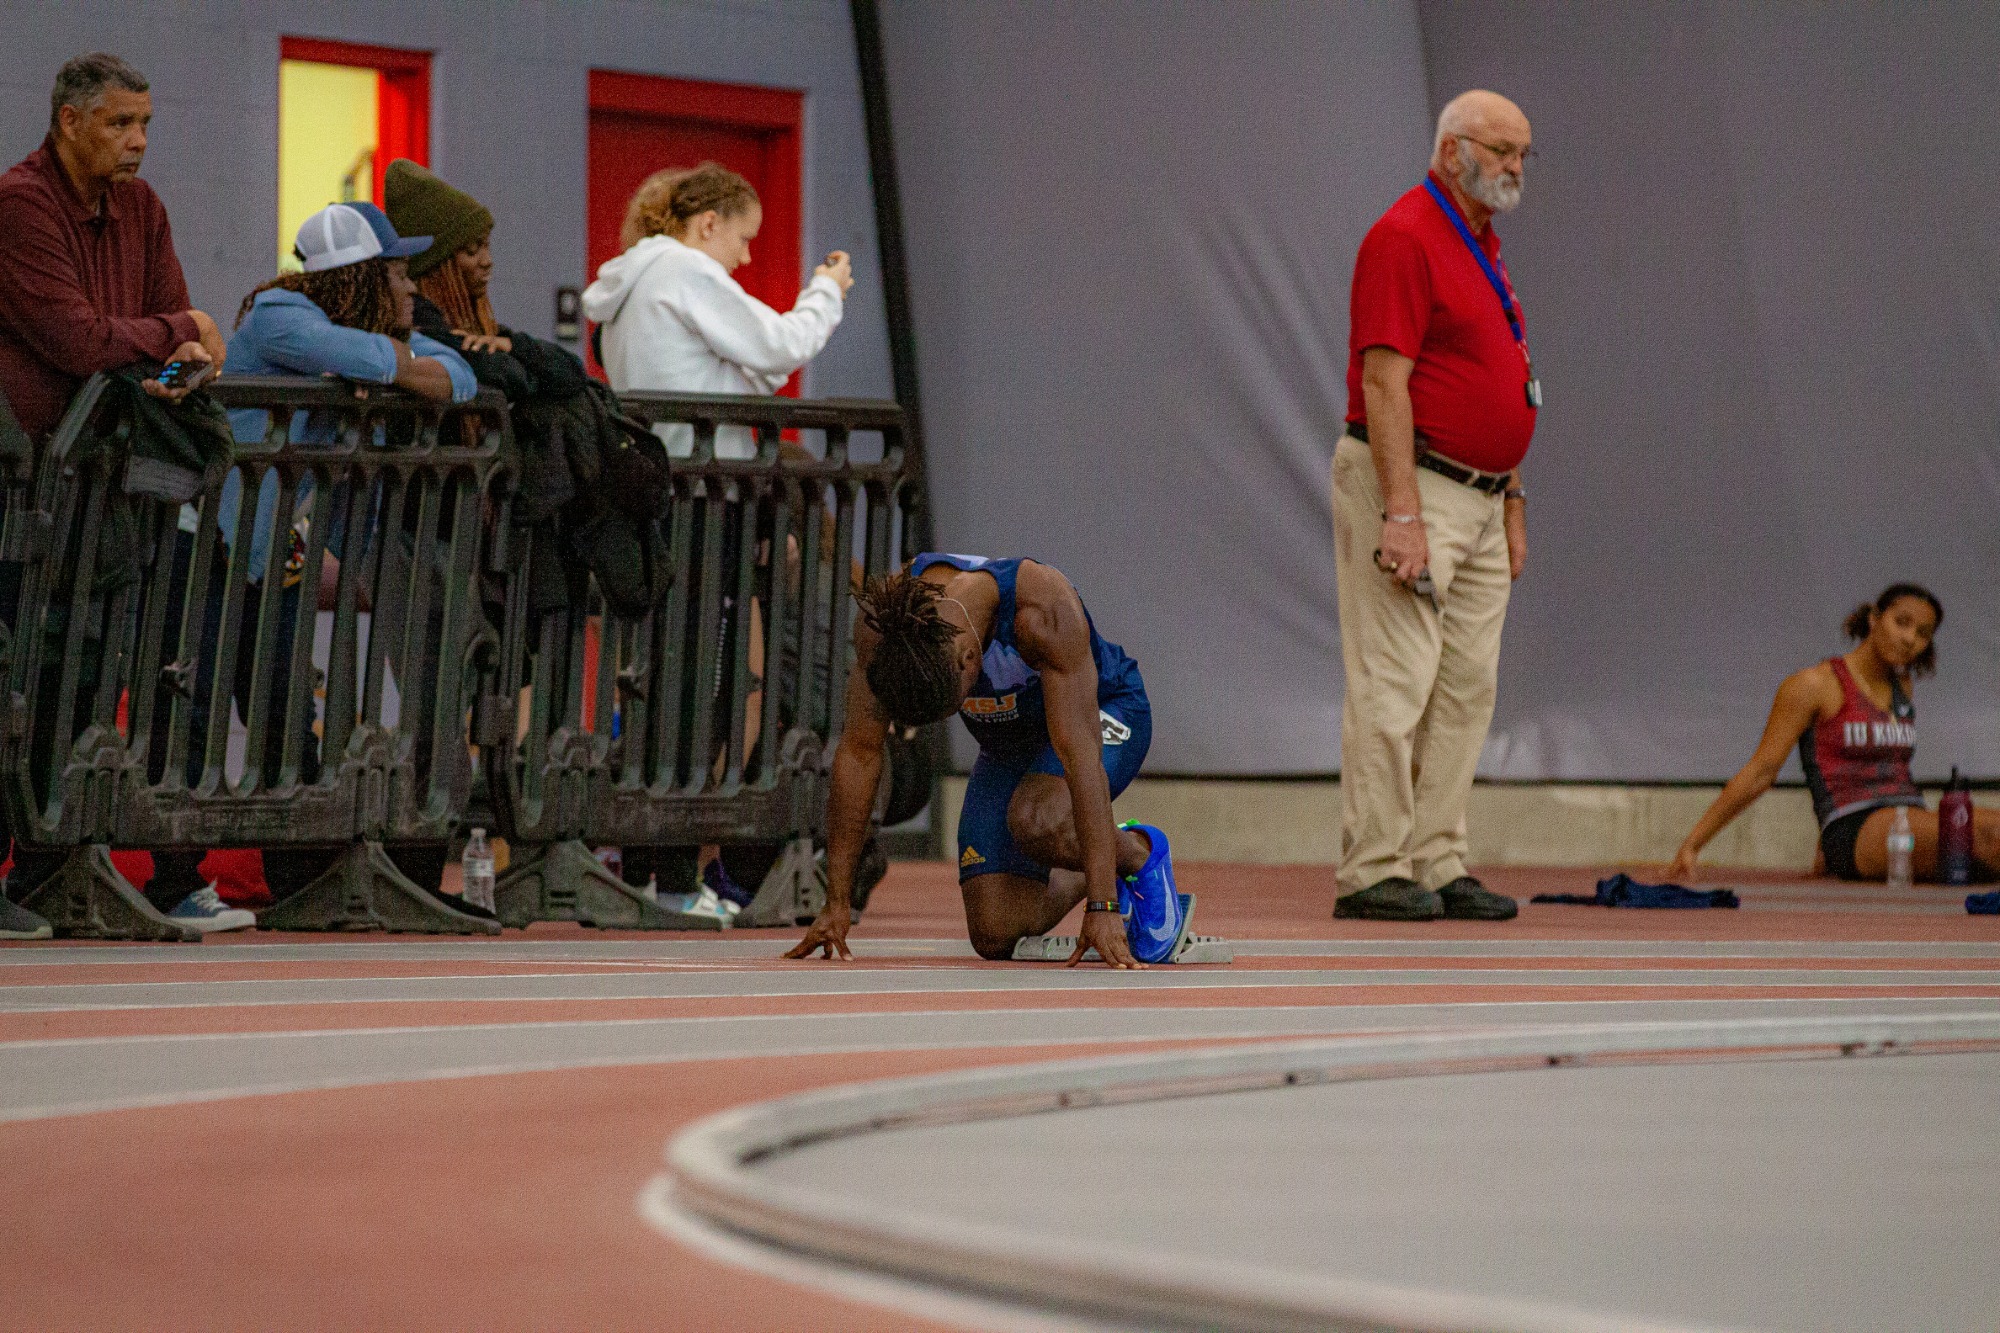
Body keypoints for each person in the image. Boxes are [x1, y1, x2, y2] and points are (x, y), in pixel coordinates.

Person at [0, 52, 231, 934]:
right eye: (119, 124)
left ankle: (50, 868)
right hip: (23, 487)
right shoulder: (20, 204)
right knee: (17, 672)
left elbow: (172, 349)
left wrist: (173, 345)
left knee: (84, 675)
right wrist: (178, 332)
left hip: (109, 488)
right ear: (68, 122)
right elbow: (76, 339)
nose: (137, 142)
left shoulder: (143, 208)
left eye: (144, 124)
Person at [1330, 89, 1537, 923]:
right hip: (1415, 486)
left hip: (1480, 499)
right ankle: (1373, 865)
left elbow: (1502, 382)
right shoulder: (1407, 235)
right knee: (1396, 677)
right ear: (1453, 151)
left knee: (1465, 688)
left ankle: (1439, 858)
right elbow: (1385, 382)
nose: (1517, 167)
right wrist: (1403, 512)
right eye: (1501, 150)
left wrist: (1513, 497)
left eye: (1525, 153)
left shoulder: (1480, 243)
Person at [787, 556, 1181, 969]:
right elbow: (860, 752)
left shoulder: (1042, 611)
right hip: (1009, 742)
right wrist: (836, 901)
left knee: (1038, 818)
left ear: (967, 657)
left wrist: (1102, 907)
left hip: (1103, 710)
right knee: (994, 931)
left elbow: (1080, 757)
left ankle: (1139, 853)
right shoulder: (883, 628)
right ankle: (1098, 853)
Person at [1670, 585, 1995, 884]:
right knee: (1987, 838)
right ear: (1873, 619)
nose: (1910, 638)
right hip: (1854, 825)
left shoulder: (1903, 685)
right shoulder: (1814, 685)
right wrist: (1692, 844)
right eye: (1902, 622)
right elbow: (1762, 772)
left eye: (1923, 633)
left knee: (1991, 835)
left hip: (1909, 816)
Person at [581, 161, 853, 458]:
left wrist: (768, 365)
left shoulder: (630, 286)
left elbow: (709, 380)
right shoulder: (684, 269)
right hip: (705, 483)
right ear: (709, 224)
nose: (746, 256)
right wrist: (827, 291)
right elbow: (783, 344)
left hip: (657, 475)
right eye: (743, 239)